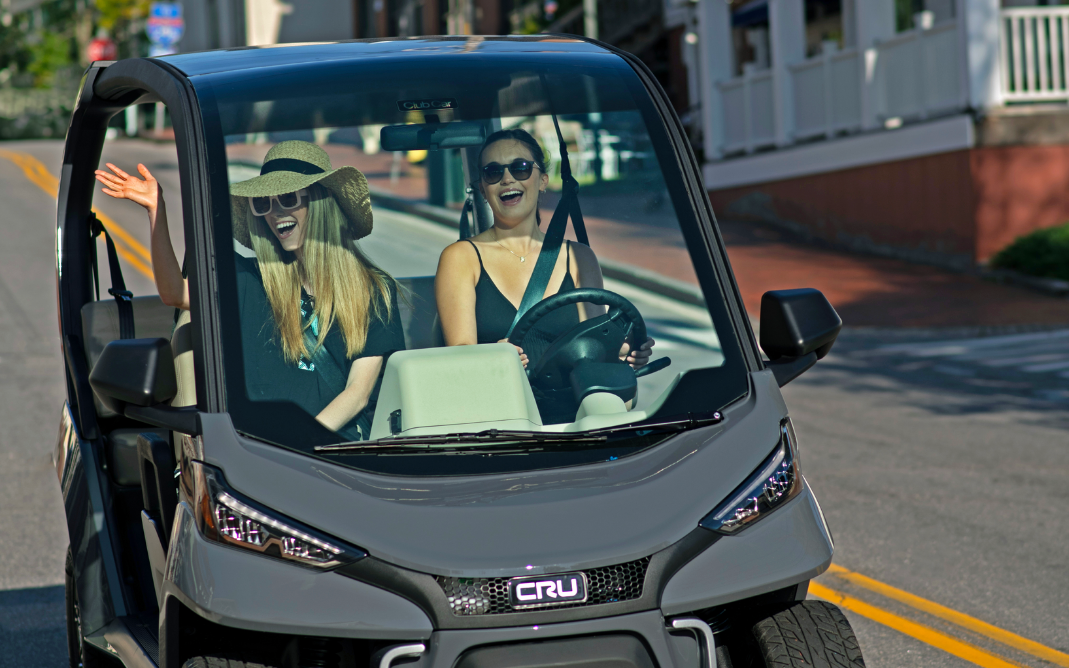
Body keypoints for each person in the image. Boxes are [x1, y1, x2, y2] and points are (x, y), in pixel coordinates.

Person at [95, 141, 403, 440]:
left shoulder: (373, 290)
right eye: (263, 203)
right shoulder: (249, 280)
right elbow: (176, 294)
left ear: (320, 202)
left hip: (335, 453)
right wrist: (155, 211)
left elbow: (357, 394)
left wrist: (299, 444)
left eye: (288, 198)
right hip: (258, 455)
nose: (275, 212)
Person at [434, 127, 653, 377]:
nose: (507, 179)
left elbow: (595, 345)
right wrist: (490, 355)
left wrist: (622, 353)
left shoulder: (580, 258)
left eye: (520, 168)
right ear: (483, 189)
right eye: (493, 172)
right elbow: (458, 353)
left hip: (574, 406)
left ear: (543, 181)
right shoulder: (461, 257)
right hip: (501, 404)